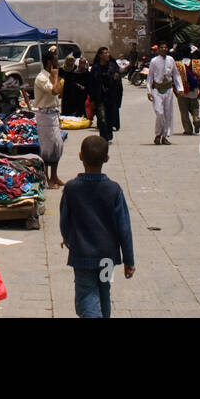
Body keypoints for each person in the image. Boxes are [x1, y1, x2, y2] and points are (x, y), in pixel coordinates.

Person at [59, 136, 136, 318]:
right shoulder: (114, 190)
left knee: (87, 296)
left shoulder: (71, 188)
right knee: (103, 292)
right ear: (107, 158)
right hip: (107, 257)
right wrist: (129, 260)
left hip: (83, 256)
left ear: (80, 156)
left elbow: (64, 221)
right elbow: (124, 228)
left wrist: (69, 239)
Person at [33, 49, 65, 189]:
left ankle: (55, 176)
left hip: (53, 113)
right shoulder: (41, 77)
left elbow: (59, 93)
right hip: (44, 116)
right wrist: (57, 76)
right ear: (49, 62)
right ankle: (47, 180)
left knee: (57, 145)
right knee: (47, 148)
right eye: (55, 59)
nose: (57, 62)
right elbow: (54, 90)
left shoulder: (51, 75)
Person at [146, 43, 179, 145]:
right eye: (162, 47)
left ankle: (164, 136)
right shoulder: (154, 61)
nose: (164, 49)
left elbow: (175, 74)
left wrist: (180, 88)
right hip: (157, 90)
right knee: (159, 113)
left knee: (168, 114)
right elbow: (150, 77)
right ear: (158, 49)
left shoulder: (171, 60)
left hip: (168, 89)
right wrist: (149, 91)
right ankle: (158, 134)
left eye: (165, 47)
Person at [173, 44, 200, 136]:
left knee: (184, 111)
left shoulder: (177, 65)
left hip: (182, 91)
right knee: (195, 107)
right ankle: (196, 118)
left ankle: (188, 129)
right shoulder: (196, 62)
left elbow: (174, 78)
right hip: (194, 91)